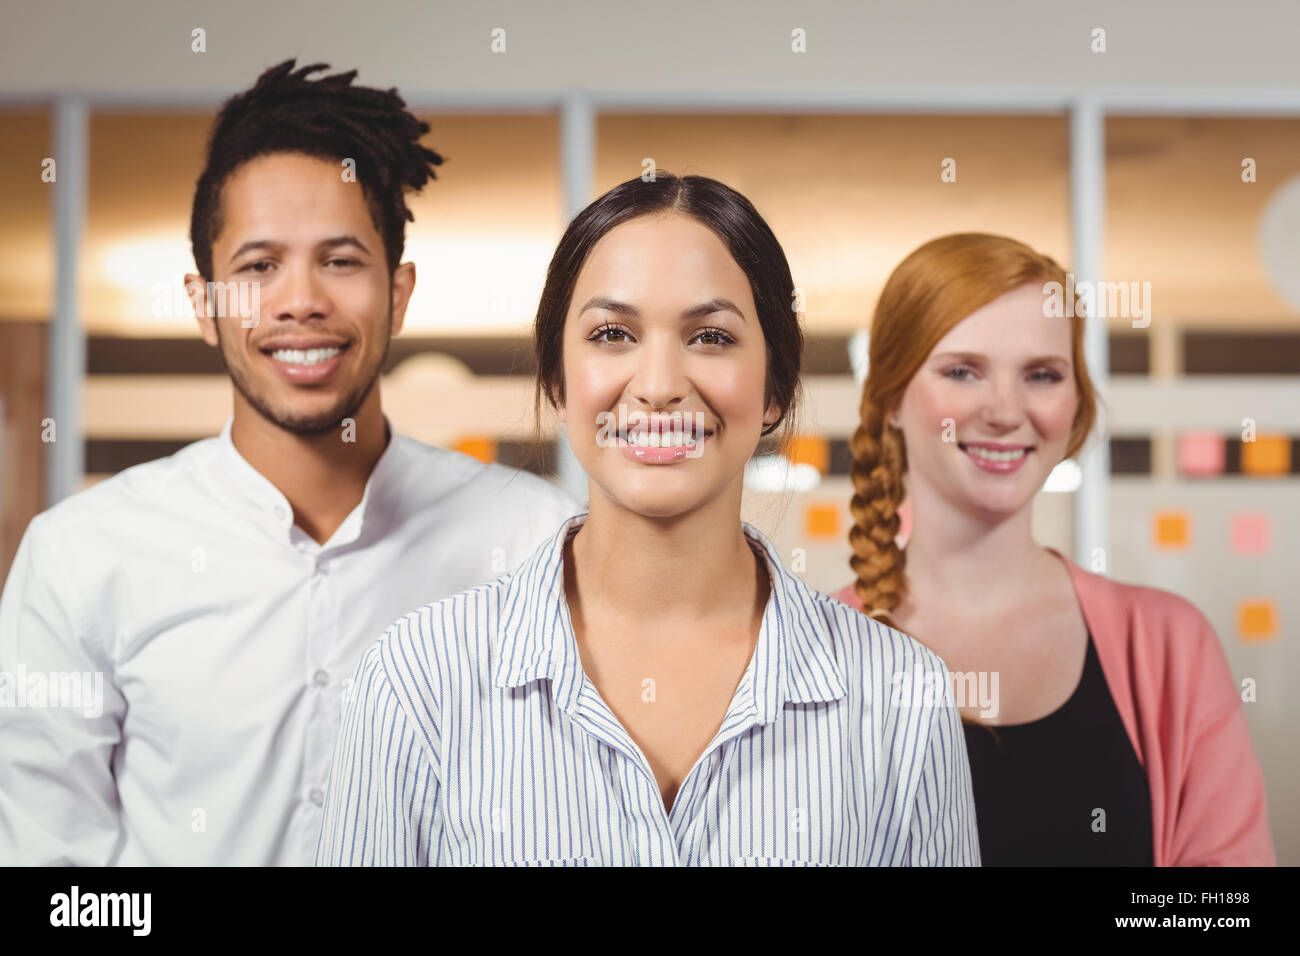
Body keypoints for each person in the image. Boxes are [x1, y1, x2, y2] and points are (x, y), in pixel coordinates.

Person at [0, 59, 579, 865]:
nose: (299, 300)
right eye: (257, 266)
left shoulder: (536, 543)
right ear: (205, 305)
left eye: (340, 261)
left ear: (398, 294)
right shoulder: (81, 556)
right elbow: (54, 879)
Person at [315, 173, 980, 866]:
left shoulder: (900, 698)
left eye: (711, 337)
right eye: (612, 333)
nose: (659, 385)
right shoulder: (418, 679)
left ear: (776, 387)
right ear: (557, 382)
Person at [832, 232, 1275, 866]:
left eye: (1041, 375)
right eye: (963, 371)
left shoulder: (1169, 644)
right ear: (892, 398)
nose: (1007, 410)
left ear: (1075, 403)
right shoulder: (807, 657)